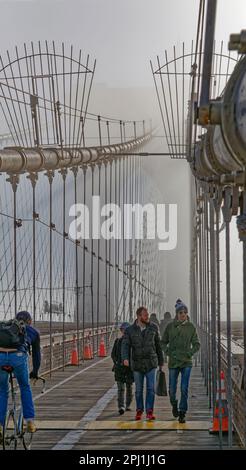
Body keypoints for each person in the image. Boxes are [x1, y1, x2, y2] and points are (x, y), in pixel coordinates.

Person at [0, 311, 41, 440]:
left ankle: (0, 426)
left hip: (0, 357)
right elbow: (36, 356)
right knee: (24, 387)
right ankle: (29, 421)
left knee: (2, 391)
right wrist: (34, 372)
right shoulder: (33, 331)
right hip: (18, 358)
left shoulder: (6, 327)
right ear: (29, 321)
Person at [122, 306, 164, 421]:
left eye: (148, 315)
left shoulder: (154, 327)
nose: (148, 317)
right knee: (139, 390)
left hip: (151, 362)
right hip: (137, 363)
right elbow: (125, 345)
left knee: (151, 389)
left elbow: (158, 346)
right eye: (145, 315)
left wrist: (161, 361)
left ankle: (149, 411)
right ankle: (139, 410)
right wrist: (125, 358)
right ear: (139, 316)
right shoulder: (130, 330)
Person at [162, 302, 200, 423]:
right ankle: (174, 404)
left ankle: (182, 412)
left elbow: (197, 344)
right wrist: (168, 352)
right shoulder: (170, 327)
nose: (183, 314)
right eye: (180, 313)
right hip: (173, 362)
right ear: (177, 314)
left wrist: (190, 353)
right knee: (172, 390)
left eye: (185, 312)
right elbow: (162, 342)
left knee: (184, 388)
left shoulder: (191, 327)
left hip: (186, 362)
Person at [111, 322, 133, 415]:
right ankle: (121, 406)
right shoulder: (117, 341)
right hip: (119, 368)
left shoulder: (132, 343)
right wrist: (116, 362)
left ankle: (127, 404)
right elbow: (113, 355)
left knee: (129, 387)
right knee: (121, 388)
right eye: (123, 330)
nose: (125, 332)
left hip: (129, 368)